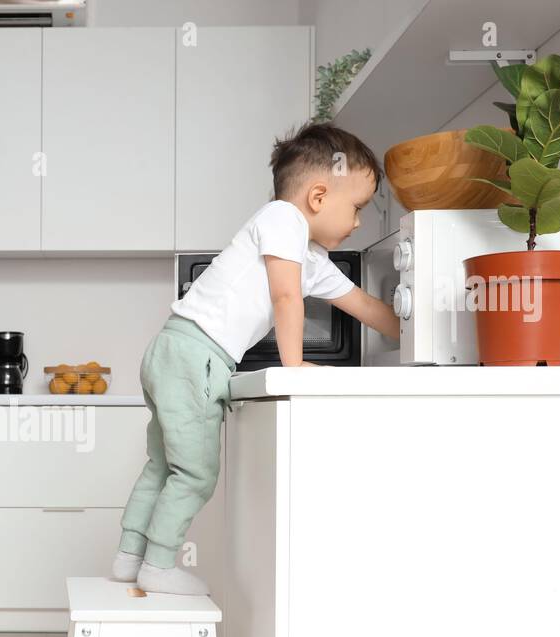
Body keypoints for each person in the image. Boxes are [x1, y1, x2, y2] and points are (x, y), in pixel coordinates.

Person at [113, 121, 402, 595]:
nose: (358, 223)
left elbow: (367, 308)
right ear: (316, 197)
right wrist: (294, 366)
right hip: (195, 357)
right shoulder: (281, 220)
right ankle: (159, 564)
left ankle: (129, 559)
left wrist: (415, 332)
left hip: (172, 350)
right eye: (356, 208)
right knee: (196, 474)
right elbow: (286, 299)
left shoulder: (308, 258)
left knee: (162, 466)